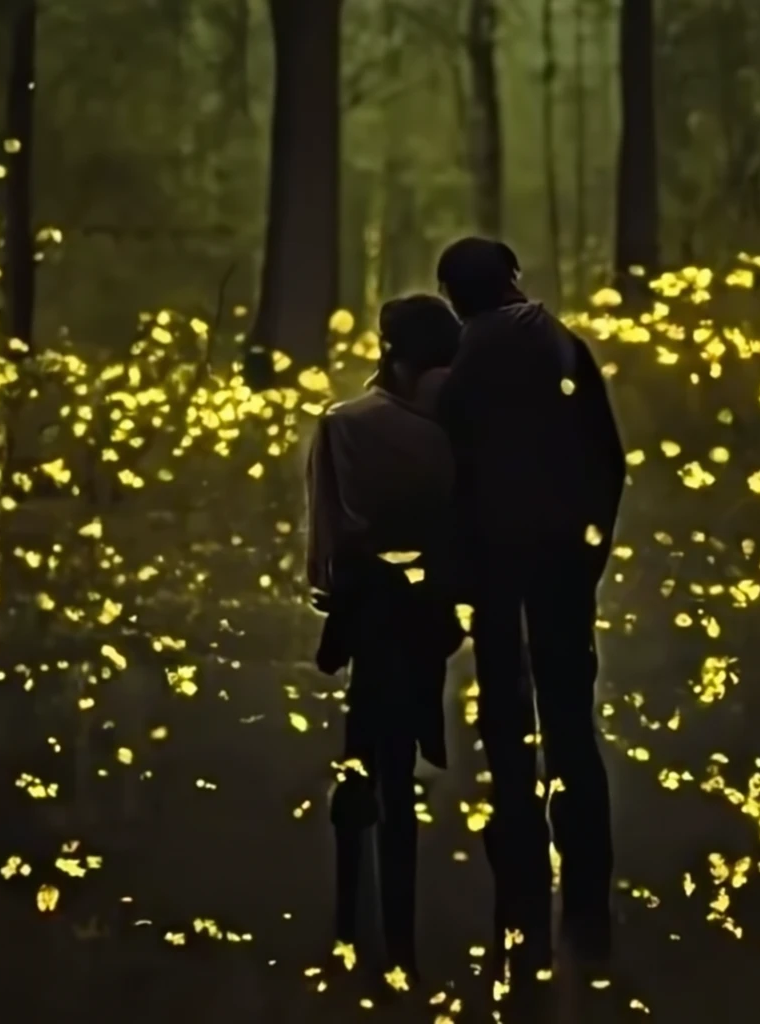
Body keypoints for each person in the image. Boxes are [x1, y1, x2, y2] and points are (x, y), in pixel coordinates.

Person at [435, 237, 626, 979]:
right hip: (561, 572)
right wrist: (588, 557)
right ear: (514, 279)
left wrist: (455, 579)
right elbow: (609, 463)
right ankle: (587, 910)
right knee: (573, 729)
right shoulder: (564, 347)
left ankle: (520, 904)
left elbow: (444, 476)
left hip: (493, 573)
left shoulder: (463, 368)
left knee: (509, 735)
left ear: (456, 295)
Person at [306, 294, 464, 980]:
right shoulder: (452, 431)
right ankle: (392, 938)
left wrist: (336, 597)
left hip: (370, 611)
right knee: (394, 769)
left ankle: (357, 927)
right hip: (421, 612)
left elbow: (332, 537)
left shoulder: (346, 423)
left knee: (366, 757)